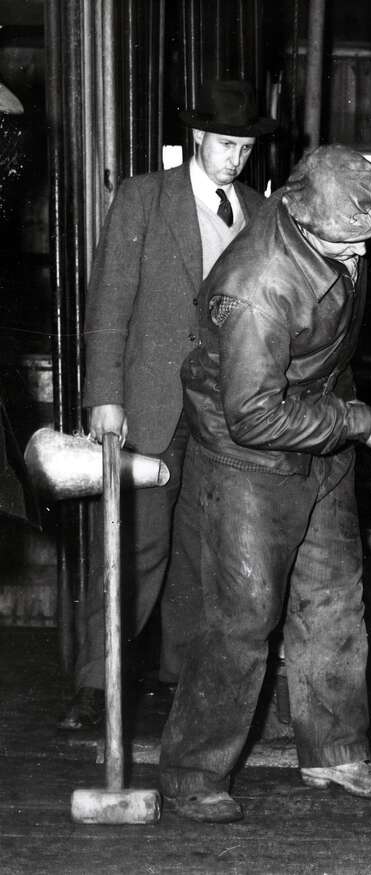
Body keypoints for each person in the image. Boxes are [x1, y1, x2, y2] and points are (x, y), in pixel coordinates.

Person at [158, 144, 371, 823]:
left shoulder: (343, 235)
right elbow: (253, 414)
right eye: (348, 245)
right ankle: (192, 772)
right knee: (243, 618)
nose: (362, 258)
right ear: (304, 225)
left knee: (334, 597)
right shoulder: (257, 285)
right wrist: (365, 422)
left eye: (363, 240)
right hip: (247, 453)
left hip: (323, 429)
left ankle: (333, 752)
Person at [59, 80, 277, 729]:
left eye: (244, 148)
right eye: (226, 144)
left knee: (201, 553)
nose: (235, 159)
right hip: (149, 406)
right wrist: (104, 399)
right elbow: (108, 309)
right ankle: (96, 687)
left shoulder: (261, 214)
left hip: (221, 412)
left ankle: (179, 680)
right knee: (137, 547)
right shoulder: (143, 199)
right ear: (199, 138)